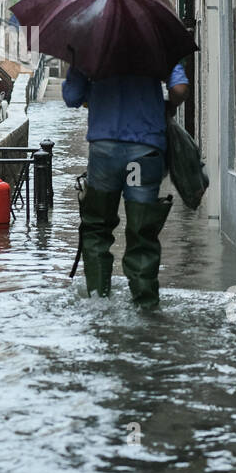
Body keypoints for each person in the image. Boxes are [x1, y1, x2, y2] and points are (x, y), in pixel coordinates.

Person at [63, 61, 189, 308]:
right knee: (142, 232)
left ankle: (99, 302)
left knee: (97, 228)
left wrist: (94, 90)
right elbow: (180, 90)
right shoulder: (156, 43)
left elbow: (71, 96)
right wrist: (166, 105)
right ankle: (145, 306)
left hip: (105, 152)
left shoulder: (91, 45)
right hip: (145, 152)